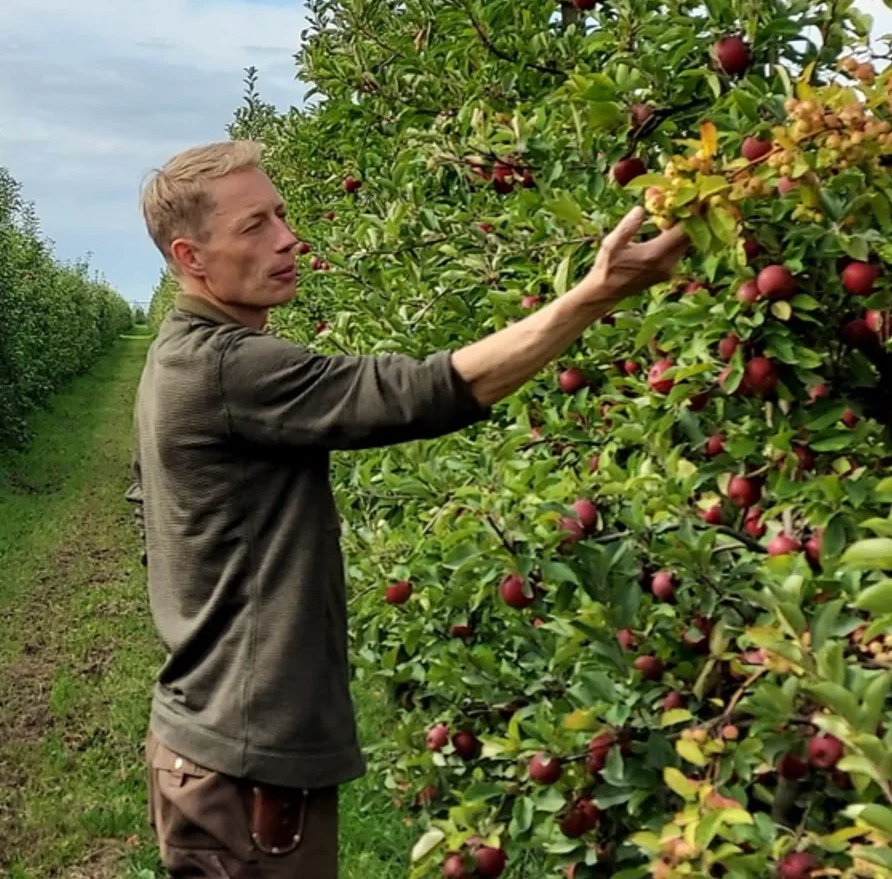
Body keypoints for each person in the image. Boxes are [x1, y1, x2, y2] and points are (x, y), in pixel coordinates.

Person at [128, 139, 690, 877]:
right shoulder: (227, 368)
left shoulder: (180, 354)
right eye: (254, 226)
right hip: (242, 762)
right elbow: (417, 392)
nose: (288, 238)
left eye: (282, 214)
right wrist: (597, 294)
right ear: (191, 257)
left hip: (213, 738)